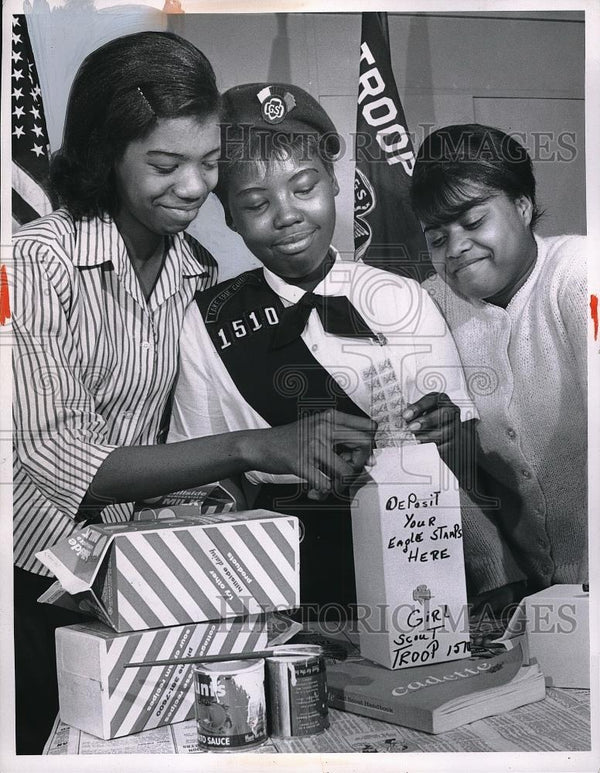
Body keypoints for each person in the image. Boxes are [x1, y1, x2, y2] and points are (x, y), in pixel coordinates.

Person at [12, 36, 374, 754]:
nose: (192, 187)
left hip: (134, 578)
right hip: (28, 581)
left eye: (208, 163)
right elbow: (62, 460)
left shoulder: (194, 271)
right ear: (105, 153)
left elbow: (177, 432)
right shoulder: (33, 261)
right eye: (165, 165)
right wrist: (254, 445)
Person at [168, 82, 477, 618]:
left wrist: (450, 428)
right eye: (257, 204)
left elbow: (461, 443)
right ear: (230, 219)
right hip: (277, 554)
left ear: (334, 183)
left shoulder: (400, 296)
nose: (286, 216)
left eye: (304, 187)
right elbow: (205, 468)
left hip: (412, 533)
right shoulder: (209, 318)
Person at [409, 123, 587, 611]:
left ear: (523, 207)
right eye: (437, 237)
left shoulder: (580, 273)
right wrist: (495, 574)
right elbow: (428, 466)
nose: (457, 247)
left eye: (472, 222)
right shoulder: (429, 304)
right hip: (524, 597)